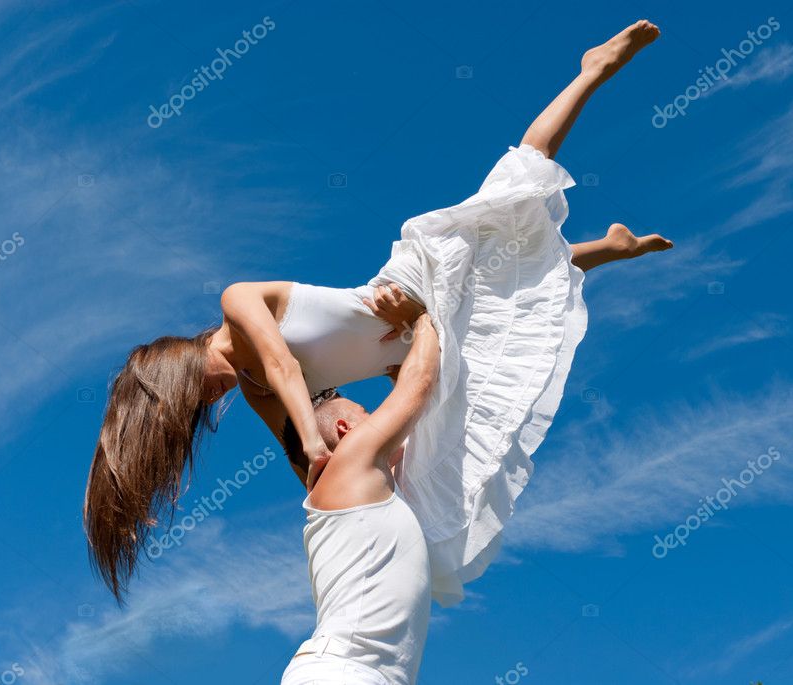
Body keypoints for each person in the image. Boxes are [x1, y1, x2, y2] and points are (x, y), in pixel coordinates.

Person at [84, 19, 666, 605]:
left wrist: (315, 440)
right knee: (505, 305)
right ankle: (611, 249)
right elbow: (307, 454)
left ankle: (594, 69)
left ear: (180, 366)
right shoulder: (259, 391)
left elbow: (287, 366)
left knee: (513, 185)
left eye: (201, 394)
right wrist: (326, 474)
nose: (215, 401)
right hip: (414, 339)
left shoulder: (237, 306)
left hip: (403, 284)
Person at [280, 313, 439, 685]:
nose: (375, 419)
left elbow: (414, 419)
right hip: (345, 673)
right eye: (366, 413)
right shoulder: (351, 463)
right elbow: (421, 382)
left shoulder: (359, 485)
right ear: (345, 430)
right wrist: (426, 314)